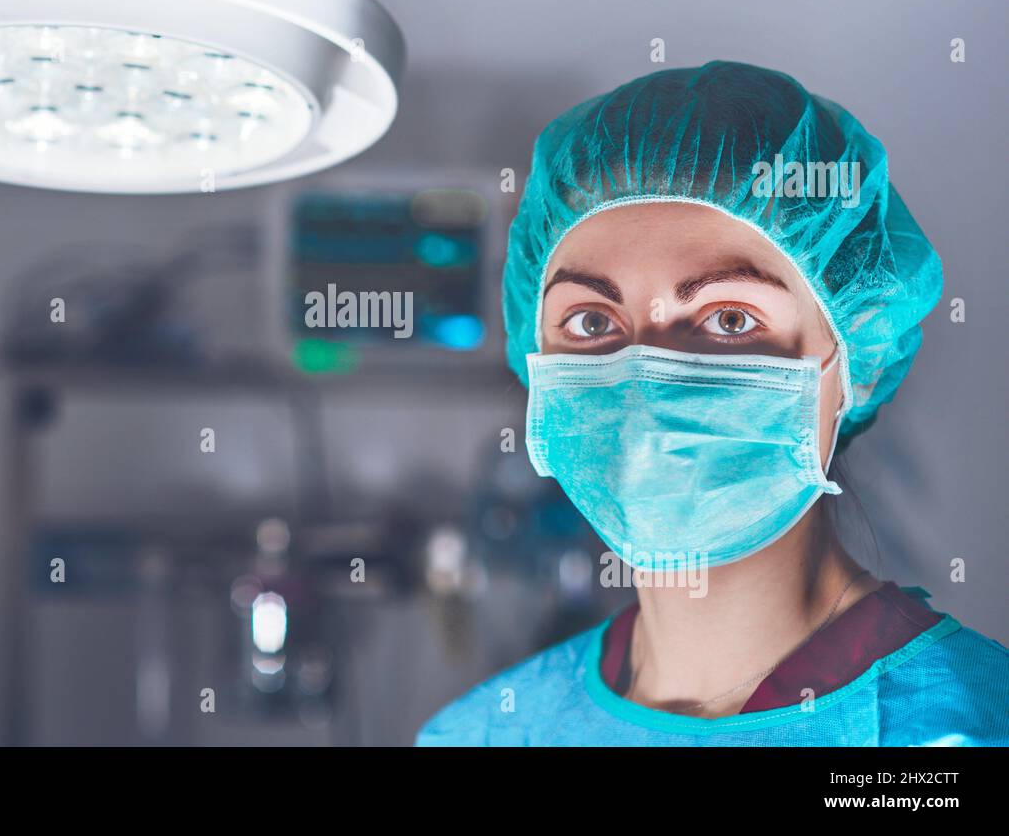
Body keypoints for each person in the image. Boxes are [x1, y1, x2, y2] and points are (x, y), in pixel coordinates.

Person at [416, 61, 1009, 746]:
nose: (647, 384)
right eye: (592, 321)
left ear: (857, 363)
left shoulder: (965, 727)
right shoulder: (482, 733)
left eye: (729, 319)